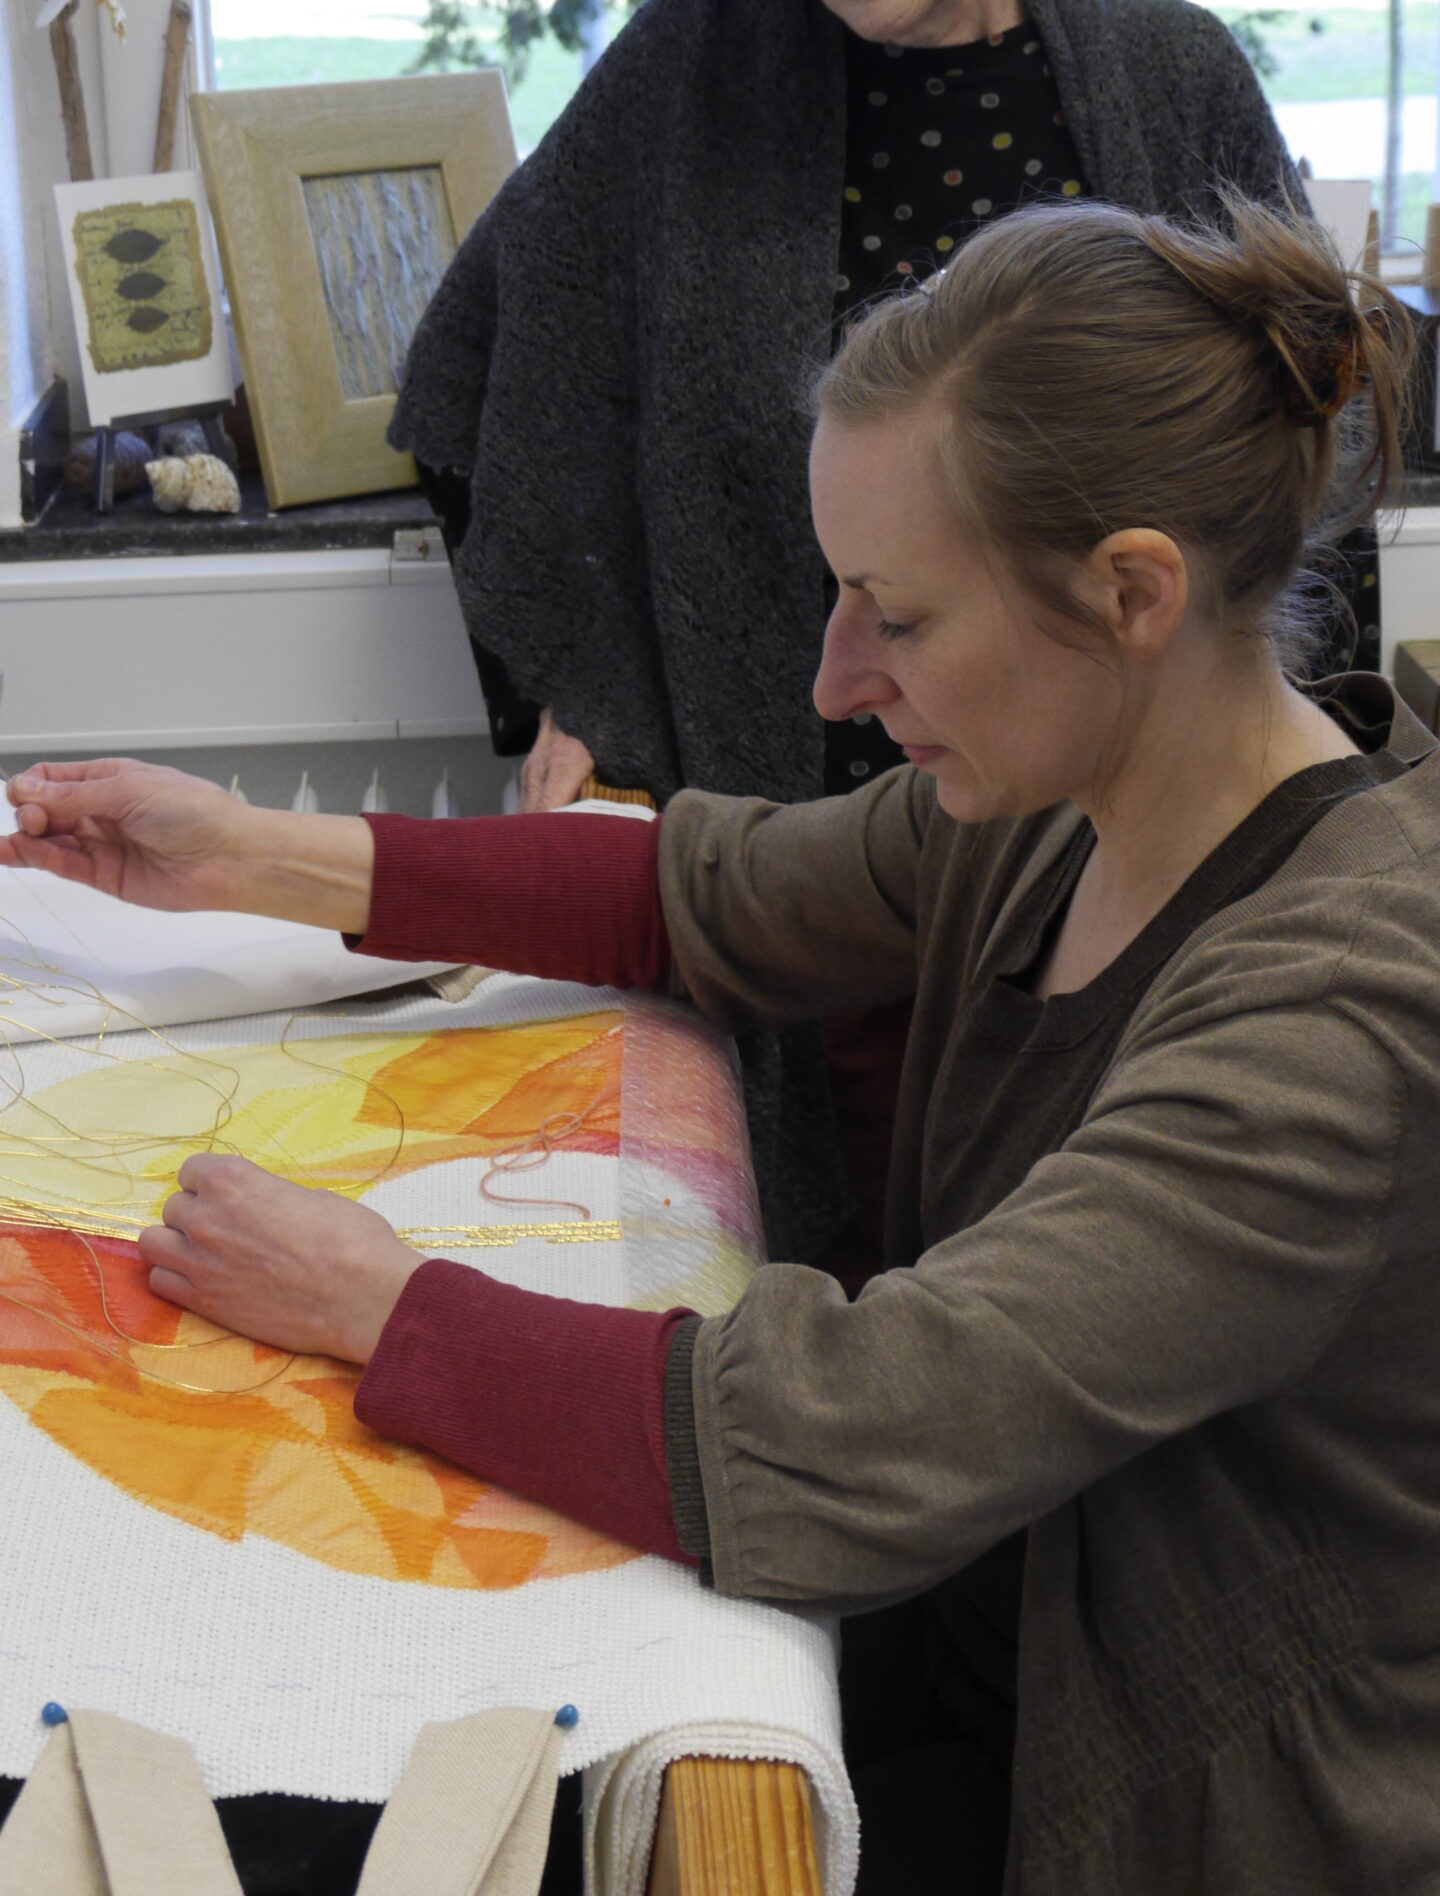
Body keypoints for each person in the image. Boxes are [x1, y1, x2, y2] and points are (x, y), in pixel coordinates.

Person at [5, 197, 1432, 1896]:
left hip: (1187, 1805)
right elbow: (715, 893)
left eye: (896, 619)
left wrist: (379, 1304)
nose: (836, 681)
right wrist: (247, 852)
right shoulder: (1065, 806)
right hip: (1004, 1632)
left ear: (1131, 593)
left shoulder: (1340, 1002)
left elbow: (871, 1432)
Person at [393, 0, 1357, 1266]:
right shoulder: (702, 55)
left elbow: (1290, 452)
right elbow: (493, 359)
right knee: (831, 1267)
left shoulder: (1168, 78)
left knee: (1075, 1282)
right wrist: (586, 687)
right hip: (805, 836)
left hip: (1101, 847)